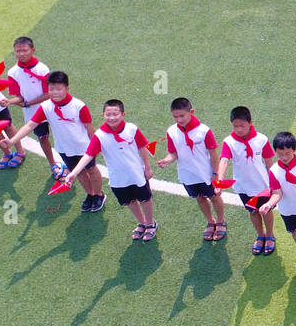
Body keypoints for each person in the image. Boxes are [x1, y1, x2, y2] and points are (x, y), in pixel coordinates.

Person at [6, 71, 105, 211]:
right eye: (51, 89)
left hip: (84, 148)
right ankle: (90, 194)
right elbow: (30, 125)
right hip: (64, 149)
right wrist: (12, 141)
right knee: (79, 173)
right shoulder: (45, 107)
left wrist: (96, 146)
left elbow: (89, 127)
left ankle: (99, 195)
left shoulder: (79, 106)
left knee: (92, 170)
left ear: (67, 89)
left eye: (58, 89)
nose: (55, 92)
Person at [62, 99, 157, 241]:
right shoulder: (99, 135)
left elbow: (142, 147)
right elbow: (88, 155)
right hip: (118, 179)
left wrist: (147, 167)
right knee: (130, 201)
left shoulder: (131, 129)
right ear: (103, 115)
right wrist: (74, 173)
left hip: (137, 174)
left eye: (115, 114)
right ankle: (142, 223)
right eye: (108, 114)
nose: (112, 117)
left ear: (123, 114)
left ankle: (150, 223)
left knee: (145, 199)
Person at [157, 97, 226, 242]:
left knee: (214, 197)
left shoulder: (203, 130)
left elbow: (214, 153)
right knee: (199, 198)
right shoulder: (171, 131)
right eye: (175, 116)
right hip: (187, 174)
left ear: (191, 112)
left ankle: (220, 220)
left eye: (182, 116)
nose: (178, 119)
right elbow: (173, 153)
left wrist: (215, 173)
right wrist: (166, 160)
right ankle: (210, 221)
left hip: (206, 173)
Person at [216, 105, 276, 255]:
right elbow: (224, 161)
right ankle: (260, 235)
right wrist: (220, 181)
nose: (239, 129)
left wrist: (275, 184)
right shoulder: (228, 142)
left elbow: (269, 162)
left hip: (263, 185)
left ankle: (270, 235)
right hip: (243, 186)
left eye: (242, 126)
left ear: (250, 123)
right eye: (235, 126)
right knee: (253, 212)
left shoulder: (262, 139)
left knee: (266, 211)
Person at [258, 131, 296, 271]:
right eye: (280, 154)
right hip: (288, 210)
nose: (284, 157)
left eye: (287, 153)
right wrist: (269, 204)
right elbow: (277, 193)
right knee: (295, 231)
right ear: (276, 152)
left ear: (294, 150)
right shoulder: (273, 170)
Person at [4, 36, 56, 172]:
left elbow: (48, 94)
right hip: (34, 114)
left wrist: (28, 103)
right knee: (43, 139)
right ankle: (53, 165)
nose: (21, 54)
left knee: (63, 135)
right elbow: (19, 97)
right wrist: (9, 102)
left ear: (32, 50)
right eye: (17, 51)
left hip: (51, 109)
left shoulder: (42, 69)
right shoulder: (13, 72)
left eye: (24, 50)